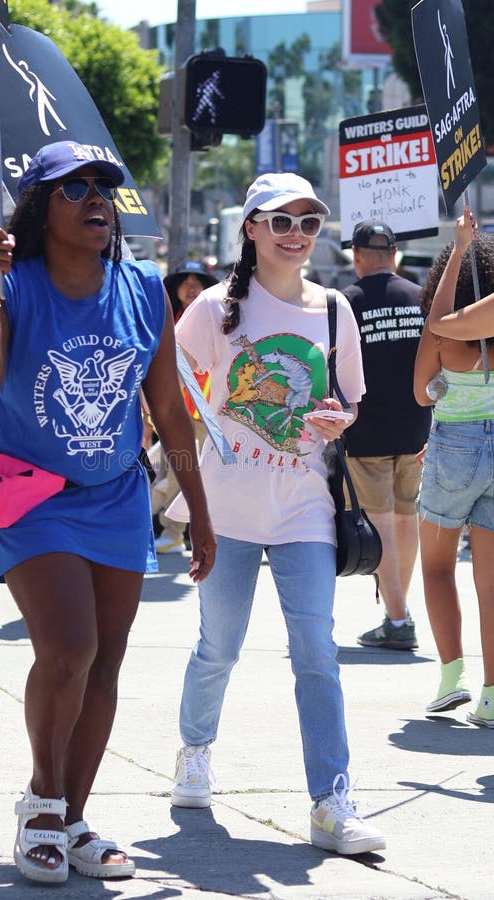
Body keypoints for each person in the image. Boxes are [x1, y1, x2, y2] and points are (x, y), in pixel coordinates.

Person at [0, 140, 215, 884]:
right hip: (32, 498)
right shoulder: (11, 284)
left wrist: (198, 508)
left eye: (105, 185)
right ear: (40, 208)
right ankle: (40, 804)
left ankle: (72, 818)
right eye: (75, 189)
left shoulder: (142, 290)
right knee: (68, 650)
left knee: (103, 663)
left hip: (118, 499)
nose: (98, 198)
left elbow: (167, 409)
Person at [167, 172, 386, 856]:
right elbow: (167, 379)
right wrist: (194, 432)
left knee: (317, 653)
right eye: (281, 222)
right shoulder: (213, 309)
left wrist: (336, 418)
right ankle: (195, 751)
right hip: (225, 511)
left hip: (305, 509)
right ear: (252, 230)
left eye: (309, 223)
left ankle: (331, 799)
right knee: (219, 649)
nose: (296, 235)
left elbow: (351, 399)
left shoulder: (333, 311)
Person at [414, 206, 494, 726]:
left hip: (452, 449)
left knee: (439, 567)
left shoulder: (441, 334)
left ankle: (451, 678)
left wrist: (460, 248)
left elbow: (422, 394)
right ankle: (492, 696)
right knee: (490, 581)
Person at [341, 221, 431, 650]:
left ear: (356, 255)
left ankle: (397, 618)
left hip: (365, 431)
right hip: (416, 428)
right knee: (404, 519)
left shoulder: (344, 302)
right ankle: (396, 609)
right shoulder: (420, 297)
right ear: (394, 254)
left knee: (378, 525)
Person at [155, 261, 218, 553]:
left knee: (215, 473)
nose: (191, 288)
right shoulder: (166, 318)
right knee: (177, 469)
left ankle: (214, 531)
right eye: (185, 282)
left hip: (211, 410)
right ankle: (173, 531)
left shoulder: (216, 315)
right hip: (178, 408)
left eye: (197, 282)